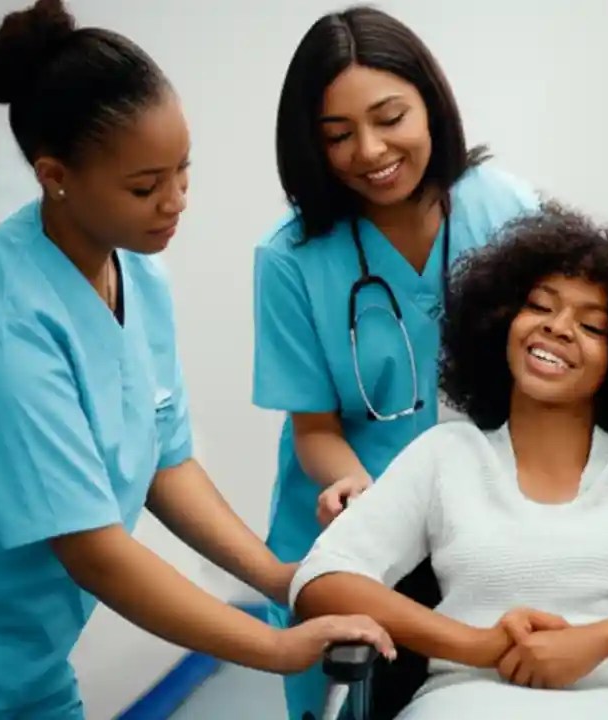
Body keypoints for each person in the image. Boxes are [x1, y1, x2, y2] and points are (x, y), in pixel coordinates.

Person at [0, 2, 393, 718]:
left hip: (22, 645)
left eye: (182, 172)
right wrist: (271, 647)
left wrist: (279, 580)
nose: (176, 202)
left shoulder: (136, 275)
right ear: (54, 175)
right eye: (144, 186)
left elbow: (167, 461)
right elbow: (93, 550)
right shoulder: (1, 320)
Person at [293, 206, 608, 719]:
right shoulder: (447, 454)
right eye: (539, 306)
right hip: (461, 703)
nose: (558, 328)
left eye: (593, 326)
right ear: (503, 319)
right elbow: (321, 580)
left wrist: (593, 643)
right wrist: (474, 644)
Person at [252, 6, 540, 717]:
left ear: (431, 108)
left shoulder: (503, 209)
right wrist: (358, 490)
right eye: (338, 135)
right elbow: (313, 428)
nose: (371, 150)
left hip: (483, 528)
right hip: (359, 537)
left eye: (390, 117)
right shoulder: (290, 257)